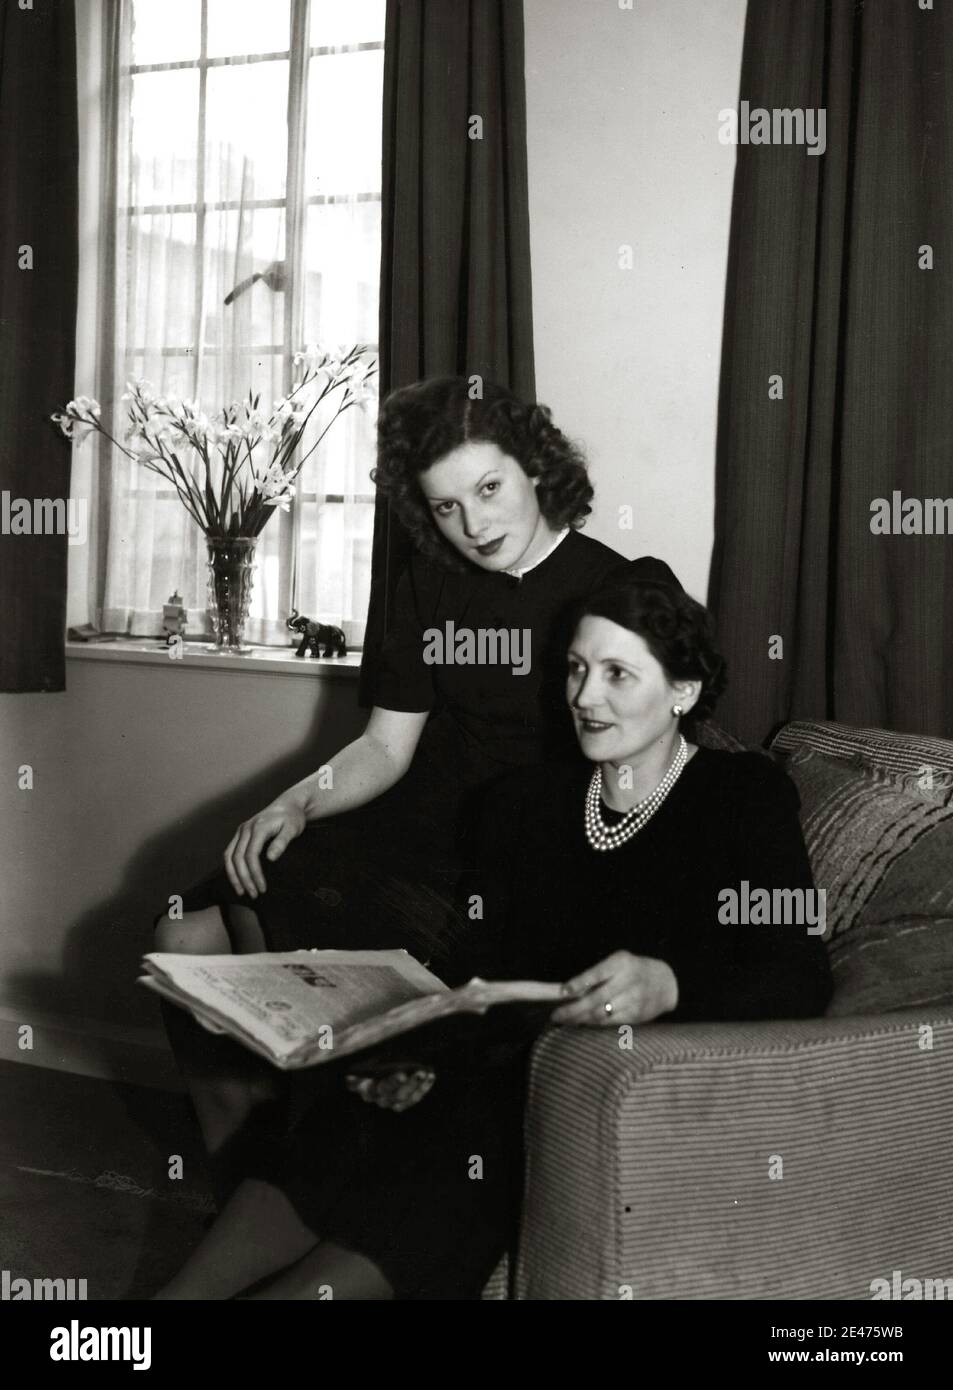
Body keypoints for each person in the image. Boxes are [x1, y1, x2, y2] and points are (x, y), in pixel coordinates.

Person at [152, 570, 832, 1301]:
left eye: (616, 674)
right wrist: (410, 1048)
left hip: (598, 1090)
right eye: (575, 669)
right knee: (360, 1110)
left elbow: (797, 972)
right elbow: (471, 971)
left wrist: (667, 984)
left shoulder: (743, 799)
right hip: (486, 1065)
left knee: (460, 1138)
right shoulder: (523, 805)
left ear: (682, 692)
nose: (584, 697)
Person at [154, 376, 676, 1174]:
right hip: (413, 820)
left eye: (490, 488)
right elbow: (384, 749)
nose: (474, 525)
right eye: (445, 507)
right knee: (181, 937)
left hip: (513, 854)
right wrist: (294, 801)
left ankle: (310, 1169)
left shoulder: (616, 588)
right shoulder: (427, 585)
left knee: (269, 944)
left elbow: (655, 759)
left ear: (537, 469)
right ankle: (246, 1178)